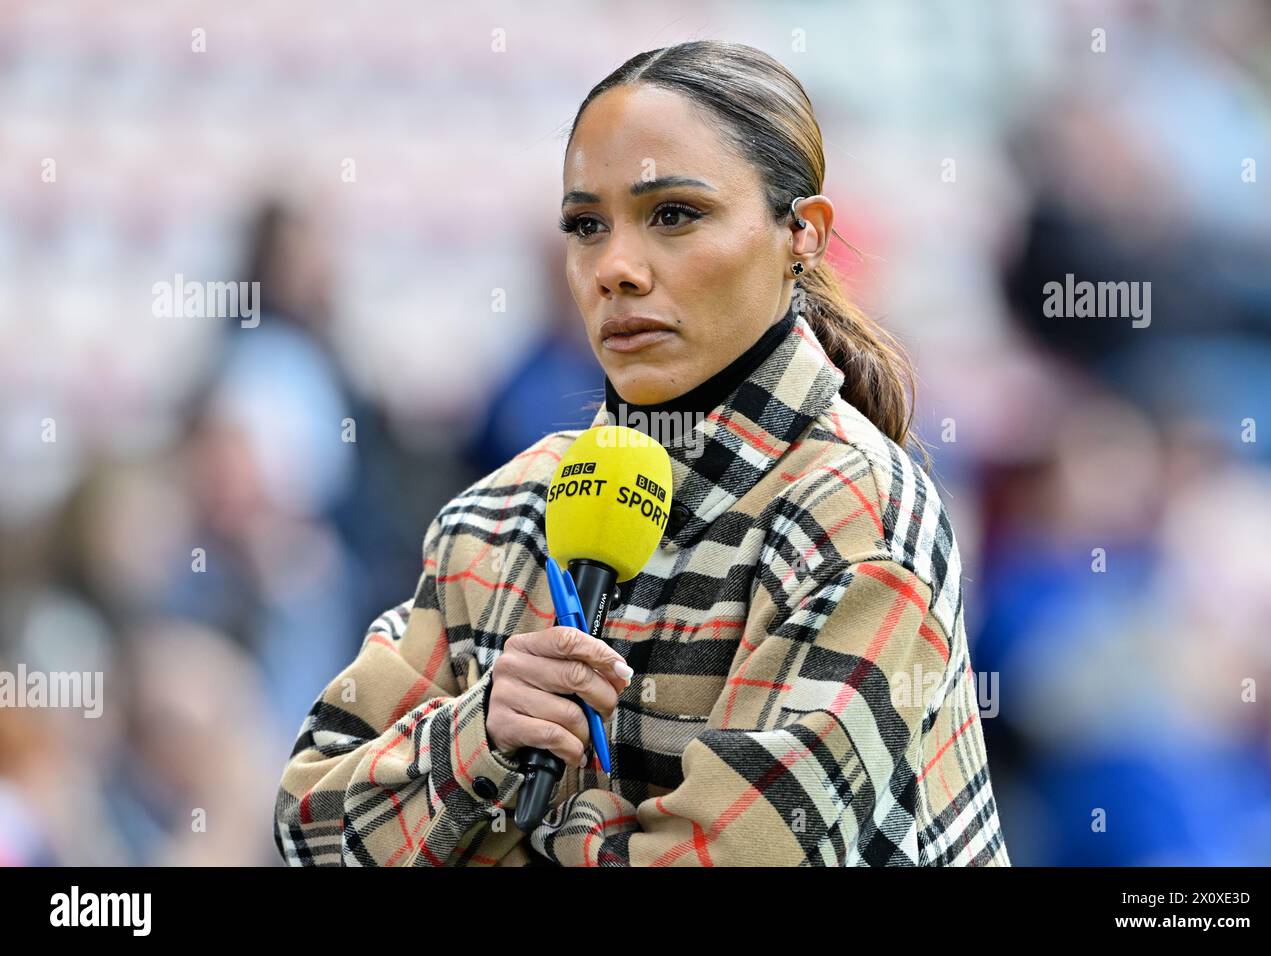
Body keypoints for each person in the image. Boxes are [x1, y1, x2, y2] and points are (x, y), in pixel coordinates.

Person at [273, 40, 1010, 867]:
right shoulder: (492, 515)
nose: (614, 269)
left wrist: (498, 828)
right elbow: (308, 831)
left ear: (803, 234)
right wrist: (477, 735)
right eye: (587, 225)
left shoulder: (859, 514)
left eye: (674, 214)